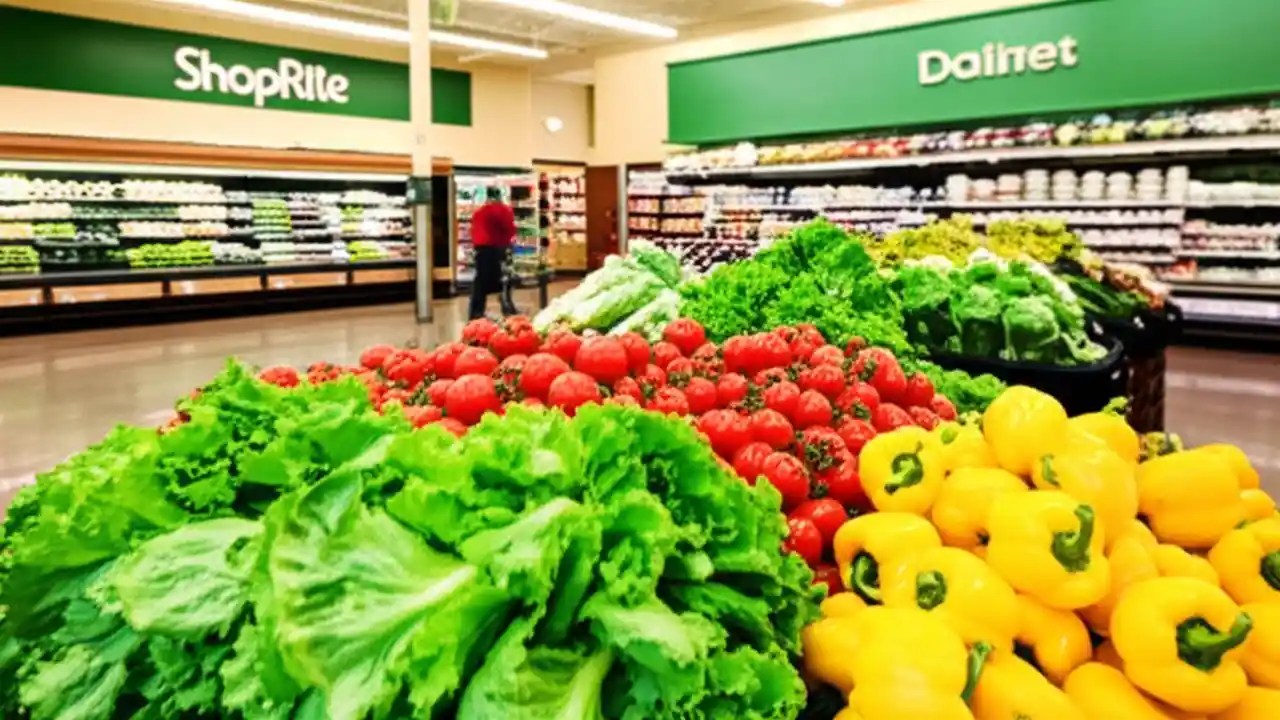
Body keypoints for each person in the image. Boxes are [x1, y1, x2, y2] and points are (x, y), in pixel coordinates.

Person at [468, 186, 519, 319]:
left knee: (480, 282)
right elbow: (510, 229)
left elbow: (474, 231)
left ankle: (476, 312)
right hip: (499, 249)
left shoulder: (479, 212)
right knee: (504, 280)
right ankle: (507, 308)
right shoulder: (504, 210)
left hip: (481, 250)